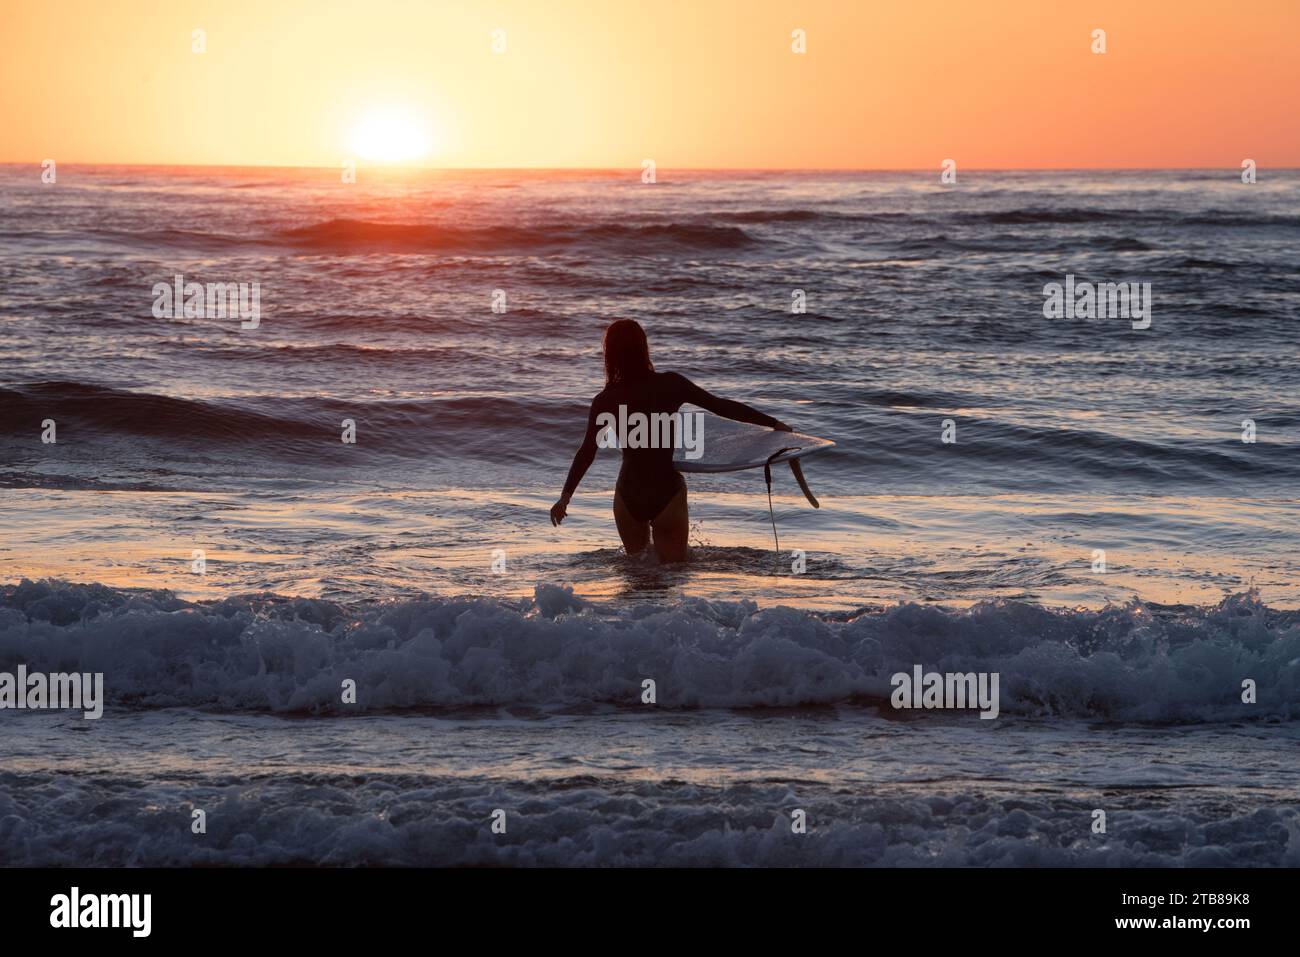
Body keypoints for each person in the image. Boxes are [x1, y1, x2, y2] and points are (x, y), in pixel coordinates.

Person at [550, 318, 790, 562]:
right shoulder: (670, 384)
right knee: (673, 574)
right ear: (643, 348)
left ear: (610, 354)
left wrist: (565, 497)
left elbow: (587, 451)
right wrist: (772, 423)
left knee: (636, 573)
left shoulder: (605, 399)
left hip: (628, 493)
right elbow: (720, 406)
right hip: (666, 490)